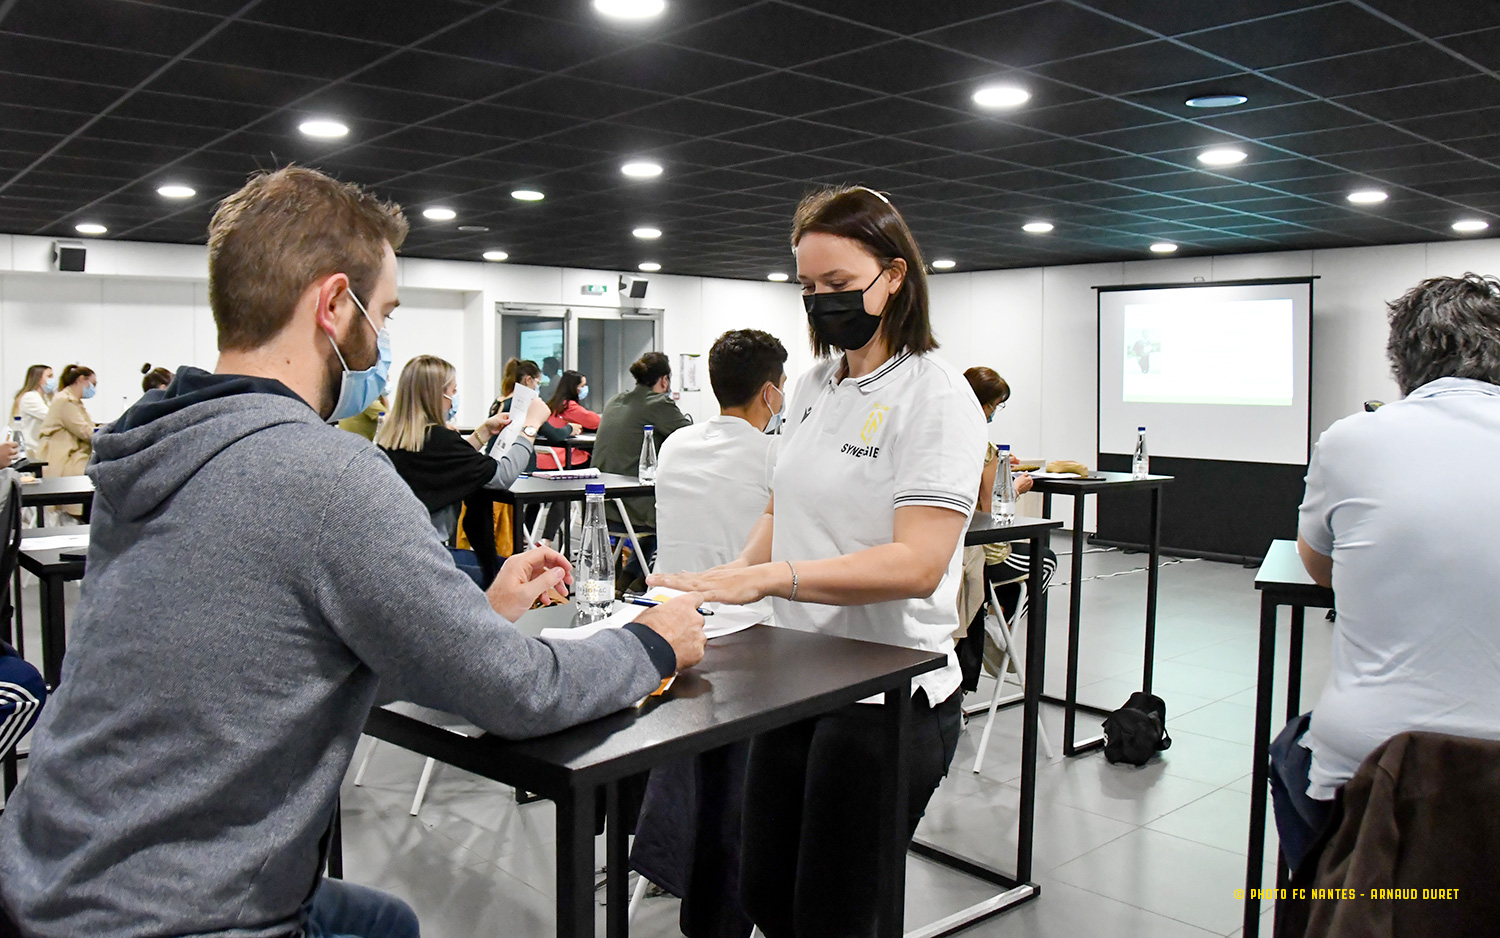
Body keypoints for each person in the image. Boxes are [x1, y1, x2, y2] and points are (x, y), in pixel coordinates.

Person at [0, 166, 706, 938]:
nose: (382, 340)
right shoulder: (326, 472)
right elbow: (521, 695)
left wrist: (473, 614)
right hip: (187, 910)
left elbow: (261, 664)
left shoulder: (148, 449)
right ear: (335, 305)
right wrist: (650, 643)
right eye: (385, 312)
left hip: (44, 870)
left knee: (384, 920)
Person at [649, 185, 985, 936]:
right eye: (808, 288)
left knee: (833, 916)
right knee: (764, 893)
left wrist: (776, 578)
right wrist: (725, 584)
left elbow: (920, 562)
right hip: (798, 676)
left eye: (838, 286)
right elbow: (779, 507)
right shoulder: (810, 386)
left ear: (894, 276)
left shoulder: (935, 397)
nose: (822, 303)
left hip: (886, 695)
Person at [1272, 272, 1500, 875]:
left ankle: (1327, 909)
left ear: (1403, 360)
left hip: (1372, 769)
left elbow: (1319, 567)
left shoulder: (1352, 439)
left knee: (1287, 755)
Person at [378, 354, 551, 586]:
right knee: (523, 576)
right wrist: (530, 428)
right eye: (453, 391)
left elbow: (450, 464)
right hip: (428, 563)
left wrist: (484, 432)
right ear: (438, 396)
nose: (454, 399)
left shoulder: (393, 439)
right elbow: (502, 476)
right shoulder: (440, 440)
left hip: (396, 558)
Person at [592, 351, 691, 533]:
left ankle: (640, 562)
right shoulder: (658, 403)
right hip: (635, 506)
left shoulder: (615, 400)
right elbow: (690, 437)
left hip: (601, 504)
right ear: (664, 380)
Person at [37, 364, 96, 521]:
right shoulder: (65, 401)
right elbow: (84, 431)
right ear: (81, 380)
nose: (93, 389)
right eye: (93, 384)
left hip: (71, 455)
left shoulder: (73, 401)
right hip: (64, 458)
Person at [535, 370, 599, 471]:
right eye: (582, 386)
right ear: (574, 388)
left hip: (547, 458)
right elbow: (595, 421)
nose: (584, 389)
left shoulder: (554, 404)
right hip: (563, 458)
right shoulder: (569, 406)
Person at [11, 364, 53, 459]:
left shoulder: (45, 399)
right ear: (38, 378)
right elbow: (51, 416)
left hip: (39, 448)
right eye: (49, 376)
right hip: (31, 450)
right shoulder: (30, 397)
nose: (52, 380)